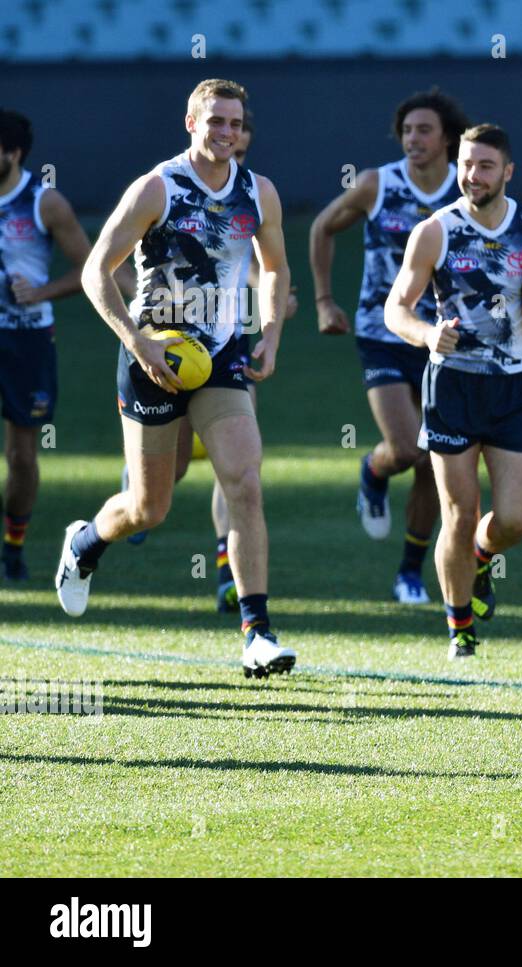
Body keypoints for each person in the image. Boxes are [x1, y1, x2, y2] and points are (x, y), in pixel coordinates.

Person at [56, 78, 296, 679]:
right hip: (153, 357)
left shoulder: (258, 192)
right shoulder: (156, 188)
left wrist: (269, 332)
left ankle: (257, 635)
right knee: (148, 506)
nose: (227, 133)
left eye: (236, 124)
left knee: (244, 480)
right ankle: (84, 545)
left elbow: (275, 268)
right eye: (215, 121)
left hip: (220, 356)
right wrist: (139, 345)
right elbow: (94, 272)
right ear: (191, 123)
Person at [384, 123, 522, 659]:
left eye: (485, 165)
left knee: (516, 520)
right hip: (451, 385)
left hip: (514, 386)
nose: (473, 175)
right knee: (458, 509)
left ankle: (480, 554)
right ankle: (460, 627)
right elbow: (396, 308)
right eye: (466, 164)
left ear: (508, 172)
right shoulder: (436, 231)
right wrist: (428, 334)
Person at [312, 88, 469, 605]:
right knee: (406, 449)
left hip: (443, 340)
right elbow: (322, 227)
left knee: (430, 462)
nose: (413, 139)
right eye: (406, 131)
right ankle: (373, 470)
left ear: (448, 138)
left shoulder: (468, 190)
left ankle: (409, 570)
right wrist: (324, 300)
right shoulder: (378, 184)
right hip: (382, 331)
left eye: (424, 130)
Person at [0, 108, 95, 581]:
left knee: (21, 456)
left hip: (28, 340)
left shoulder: (44, 203)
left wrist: (39, 292)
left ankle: (13, 545)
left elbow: (92, 270)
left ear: (13, 153)